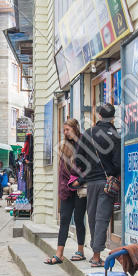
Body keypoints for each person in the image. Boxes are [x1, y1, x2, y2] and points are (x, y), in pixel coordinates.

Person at [73, 103, 122, 266]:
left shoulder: (88, 133)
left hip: (91, 183)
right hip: (107, 183)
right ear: (113, 117)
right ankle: (96, 256)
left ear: (99, 115)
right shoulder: (115, 135)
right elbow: (118, 164)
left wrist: (89, 171)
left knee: (93, 217)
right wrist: (111, 172)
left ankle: (96, 253)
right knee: (102, 219)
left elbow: (78, 160)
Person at [46, 119, 87, 264]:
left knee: (79, 219)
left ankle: (80, 251)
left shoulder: (84, 144)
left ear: (75, 129)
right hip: (66, 188)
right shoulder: (64, 146)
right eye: (64, 130)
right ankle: (59, 254)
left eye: (68, 129)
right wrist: (64, 185)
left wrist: (79, 180)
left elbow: (89, 167)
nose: (65, 132)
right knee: (64, 219)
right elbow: (62, 169)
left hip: (80, 188)